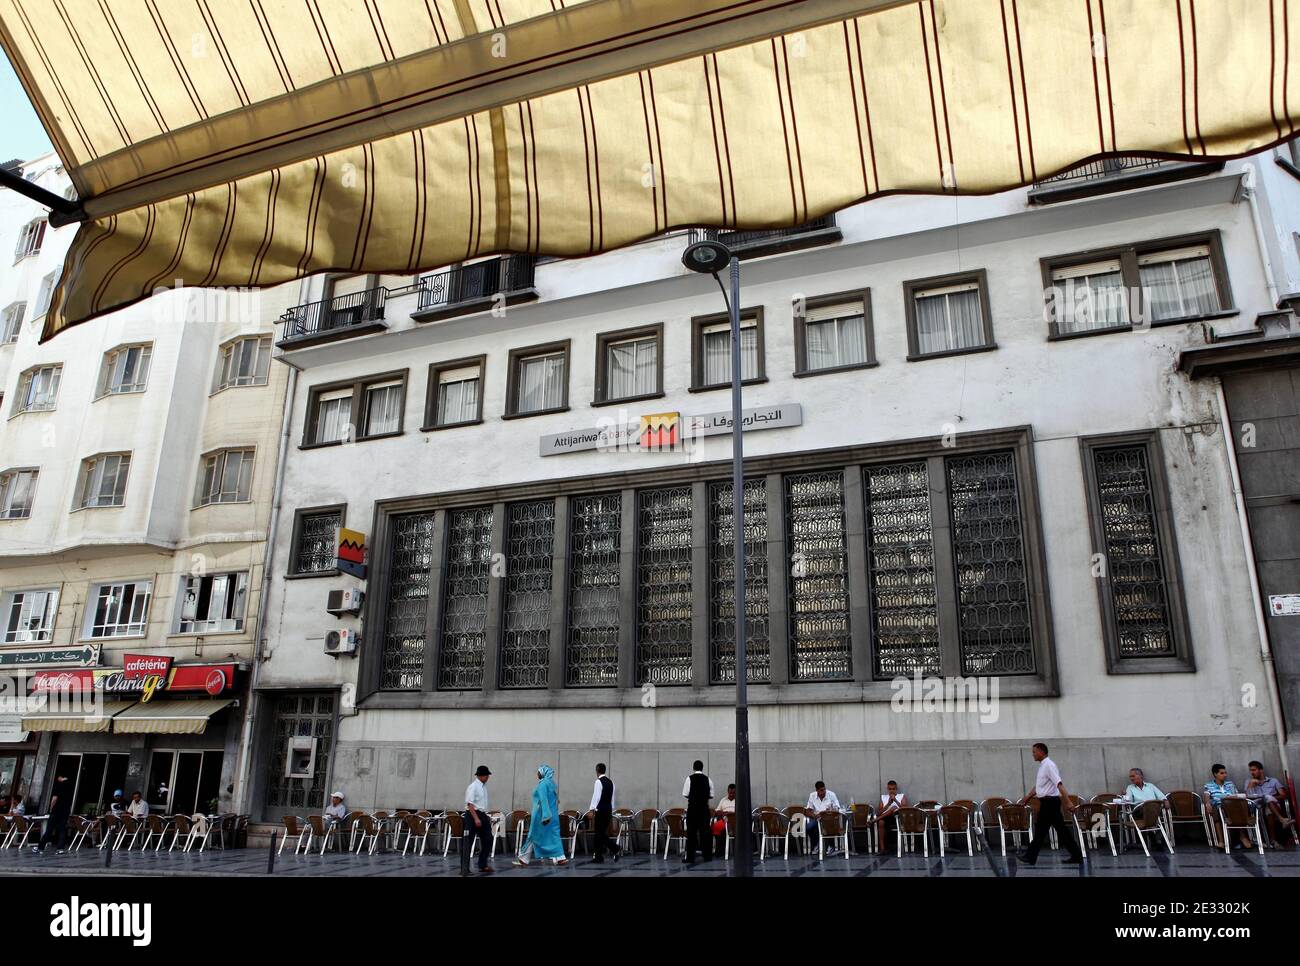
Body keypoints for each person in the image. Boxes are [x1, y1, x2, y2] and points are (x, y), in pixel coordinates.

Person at [1018, 742, 1083, 866]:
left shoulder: (1049, 765)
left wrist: (1068, 802)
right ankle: (1076, 855)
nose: (1033, 754)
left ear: (1041, 752)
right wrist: (1027, 797)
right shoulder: (1043, 766)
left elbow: (1059, 784)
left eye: (1034, 752)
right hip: (1047, 803)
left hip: (1050, 803)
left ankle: (1030, 856)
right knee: (1059, 831)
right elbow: (1038, 787)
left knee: (1042, 831)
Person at [514, 764, 568, 867]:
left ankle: (524, 859)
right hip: (553, 816)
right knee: (553, 836)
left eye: (539, 771)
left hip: (542, 816)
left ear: (543, 773)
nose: (537, 774)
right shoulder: (551, 784)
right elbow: (557, 801)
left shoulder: (543, 784)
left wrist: (546, 816)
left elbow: (543, 800)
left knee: (533, 836)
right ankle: (561, 858)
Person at [1245, 760, 1295, 848]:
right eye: (1250, 770)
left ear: (1261, 770)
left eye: (1254, 770)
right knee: (1266, 801)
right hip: (1257, 805)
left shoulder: (1273, 781)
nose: (1252, 772)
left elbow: (1283, 795)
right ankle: (1282, 820)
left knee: (1268, 803)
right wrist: (1251, 785)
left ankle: (1273, 840)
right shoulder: (1249, 781)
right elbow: (1246, 796)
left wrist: (1271, 797)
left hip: (1273, 805)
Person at [1202, 763, 1251, 850]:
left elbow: (1236, 795)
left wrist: (1229, 797)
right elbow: (1206, 796)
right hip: (1219, 806)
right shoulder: (1209, 785)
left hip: (1232, 805)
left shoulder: (1230, 784)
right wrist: (1207, 803)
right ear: (1215, 774)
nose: (1225, 775)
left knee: (1238, 807)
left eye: (1225, 773)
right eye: (1222, 773)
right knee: (1215, 810)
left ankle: (1242, 837)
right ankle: (1221, 841)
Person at [461, 765, 494, 875]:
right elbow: (470, 804)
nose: (488, 777)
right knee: (468, 842)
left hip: (482, 814)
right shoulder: (473, 786)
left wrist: (485, 815)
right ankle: (464, 868)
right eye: (487, 775)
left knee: (488, 839)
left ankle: (483, 864)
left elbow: (482, 804)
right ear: (482, 776)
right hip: (472, 815)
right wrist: (476, 818)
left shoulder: (483, 787)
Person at [682, 760, 713, 864]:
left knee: (691, 834)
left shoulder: (689, 778)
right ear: (702, 768)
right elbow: (711, 795)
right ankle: (707, 856)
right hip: (704, 810)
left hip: (693, 810)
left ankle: (690, 857)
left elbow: (685, 793)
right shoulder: (708, 779)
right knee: (705, 833)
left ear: (693, 768)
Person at [32, 774, 72, 854]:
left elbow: (55, 798)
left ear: (61, 777)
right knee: (62, 829)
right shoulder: (70, 786)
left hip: (56, 811)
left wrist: (51, 808)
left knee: (49, 829)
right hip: (65, 811)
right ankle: (60, 849)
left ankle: (40, 848)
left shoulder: (59, 785)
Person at [588, 763, 620, 863]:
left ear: (597, 770)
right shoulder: (611, 782)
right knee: (599, 834)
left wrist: (592, 809)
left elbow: (596, 796)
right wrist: (612, 808)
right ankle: (598, 857)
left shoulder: (598, 782)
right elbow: (612, 798)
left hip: (600, 810)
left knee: (599, 834)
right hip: (608, 810)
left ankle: (615, 848)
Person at [805, 781, 842, 854]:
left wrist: (830, 810)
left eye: (824, 789)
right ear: (817, 791)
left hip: (829, 818)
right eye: (821, 790)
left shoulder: (831, 794)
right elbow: (808, 811)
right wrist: (815, 816)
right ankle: (816, 845)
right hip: (817, 818)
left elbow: (837, 808)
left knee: (828, 825)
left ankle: (831, 846)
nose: (823, 792)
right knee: (808, 827)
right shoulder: (812, 796)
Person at [876, 780, 908, 849]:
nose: (892, 791)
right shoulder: (883, 797)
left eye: (893, 789)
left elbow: (905, 810)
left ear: (896, 789)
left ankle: (874, 820)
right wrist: (888, 804)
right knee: (881, 822)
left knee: (894, 808)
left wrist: (895, 800)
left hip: (898, 819)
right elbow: (878, 813)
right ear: (887, 789)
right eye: (890, 789)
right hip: (886, 818)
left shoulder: (901, 796)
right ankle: (882, 849)